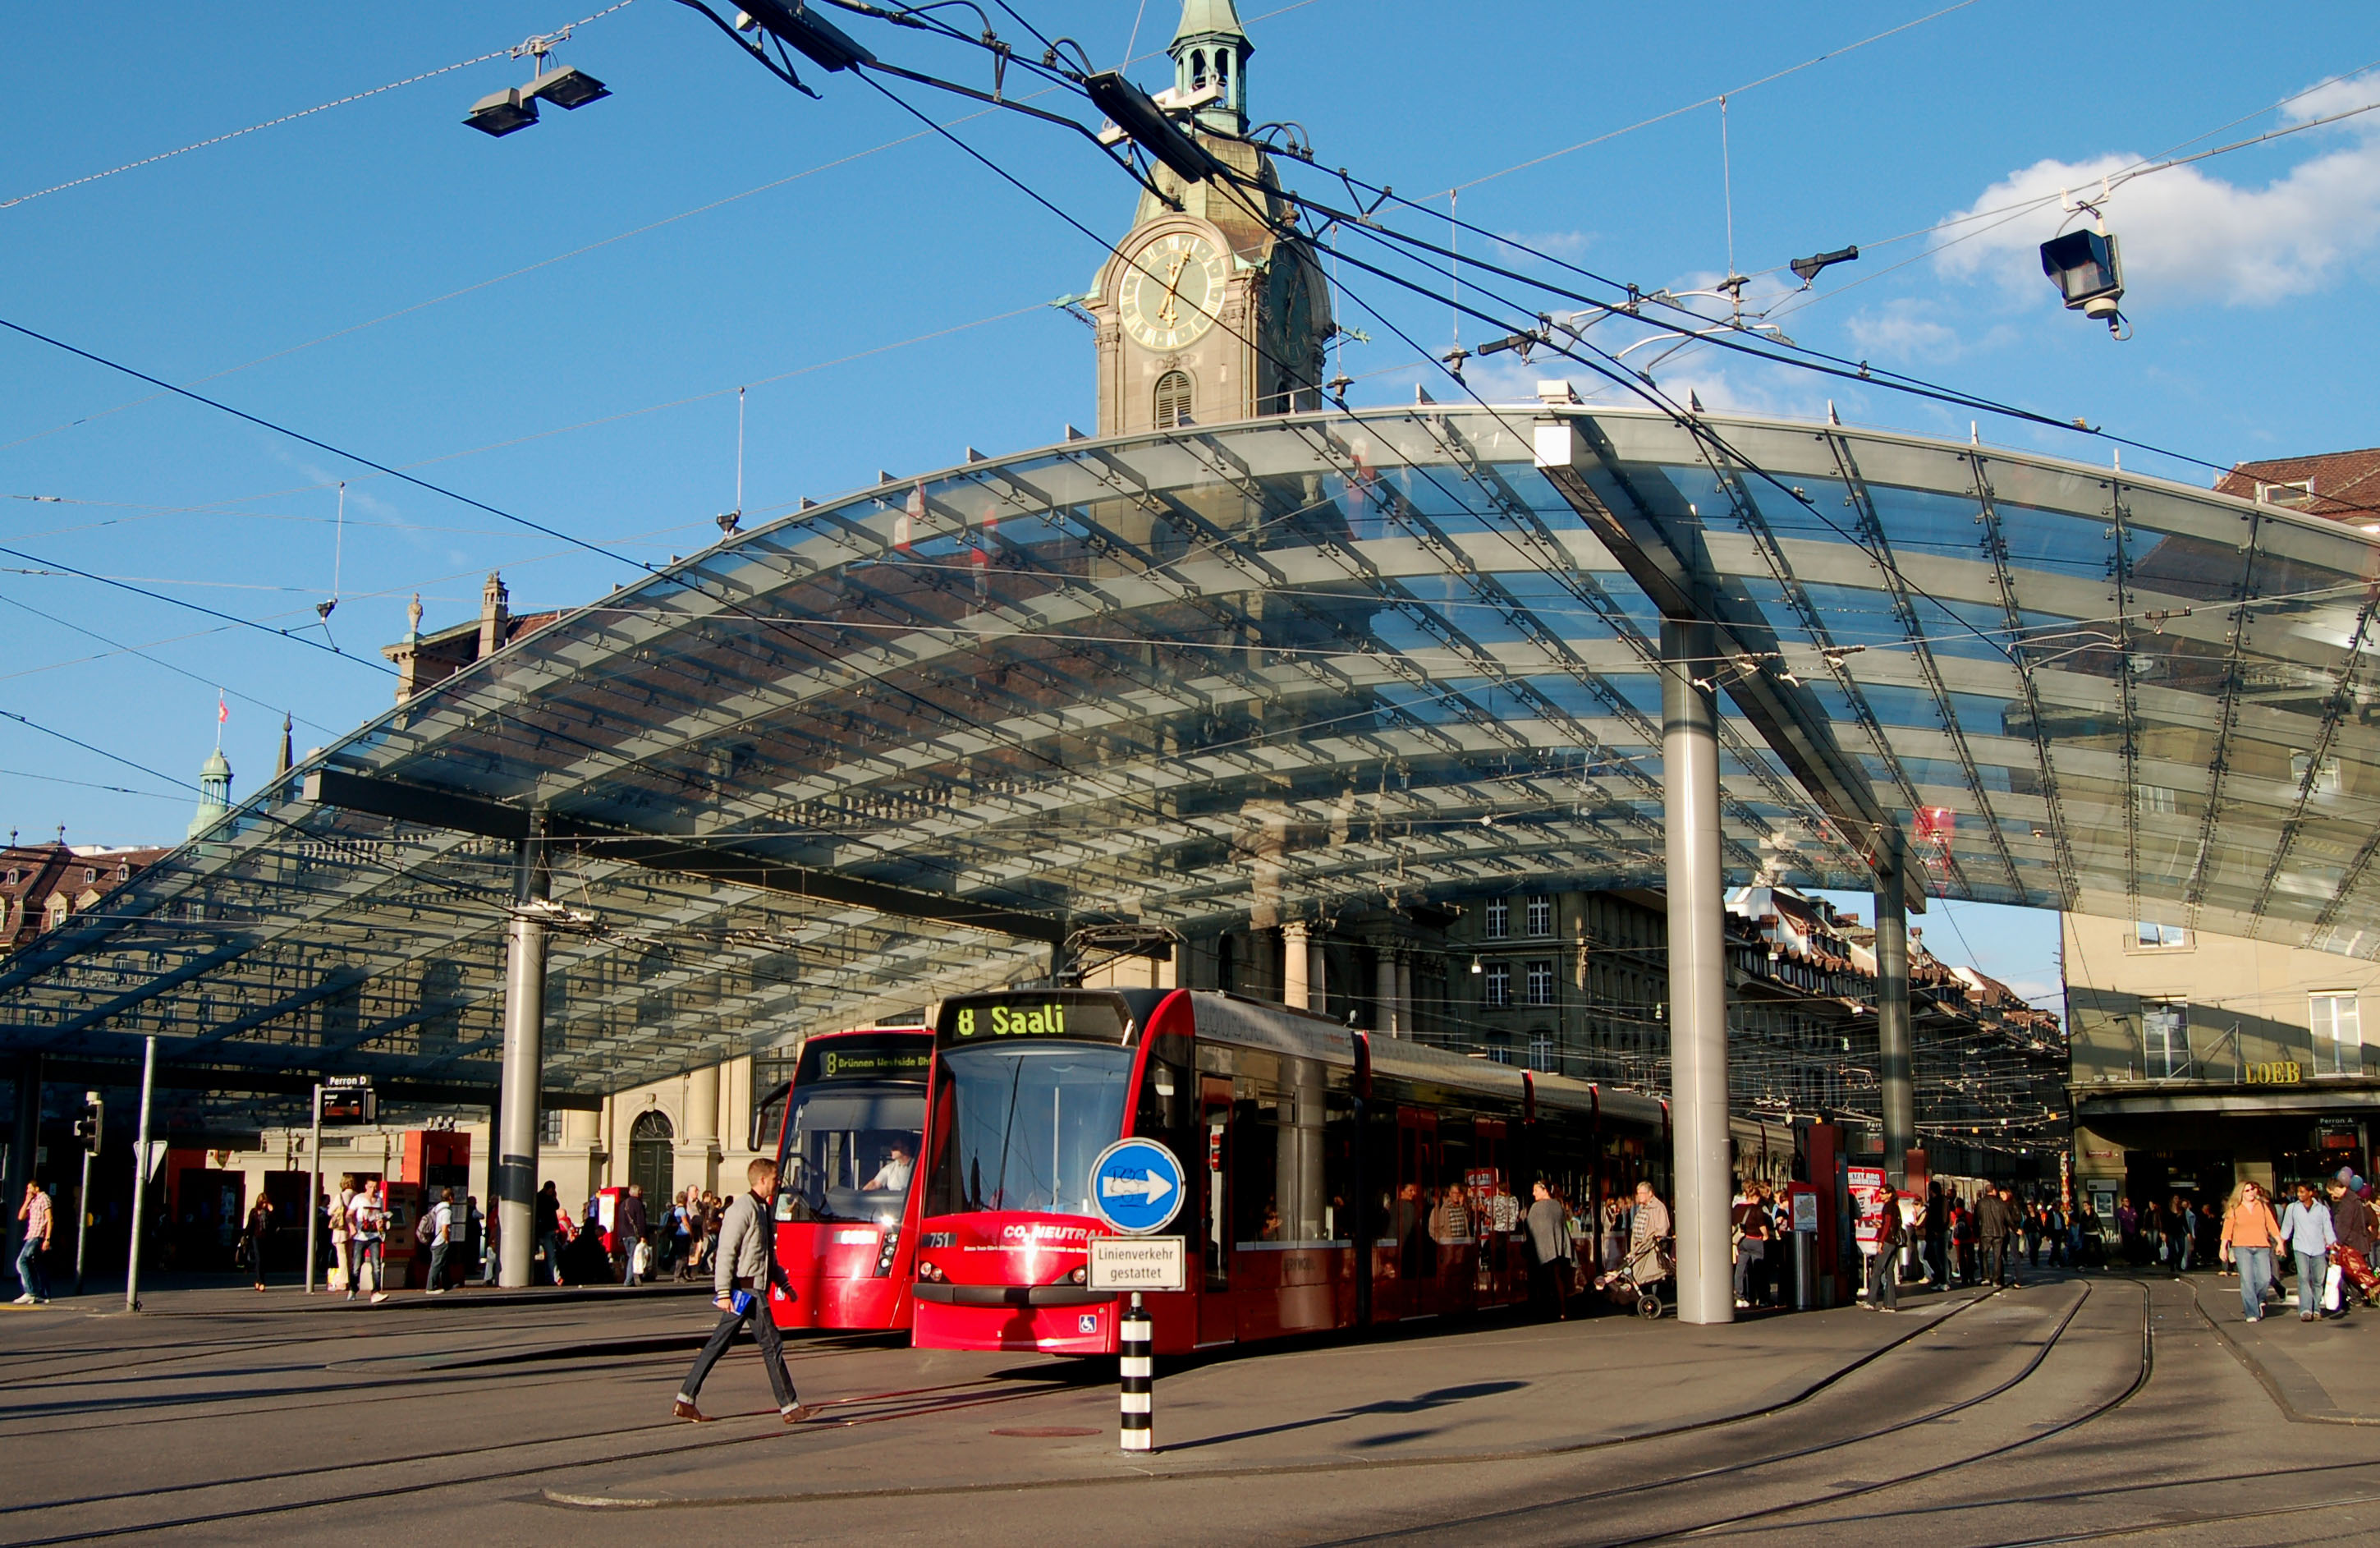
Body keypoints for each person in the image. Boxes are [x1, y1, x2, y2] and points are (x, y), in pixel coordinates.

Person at [673, 1158, 814, 1425]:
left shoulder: (762, 1208)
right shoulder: (743, 1208)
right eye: (774, 1179)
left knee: (719, 1344)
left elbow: (766, 1256)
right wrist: (723, 1292)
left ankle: (685, 1399)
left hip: (750, 1290)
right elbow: (727, 1251)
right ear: (762, 1180)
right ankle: (790, 1407)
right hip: (747, 1291)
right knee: (772, 1345)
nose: (777, 1184)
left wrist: (784, 1285)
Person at [2277, 1182, 2338, 1324]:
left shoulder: (2322, 1209)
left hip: (2319, 1249)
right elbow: (2286, 1228)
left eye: (2303, 1191)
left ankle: (2316, 1308)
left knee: (2318, 1281)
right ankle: (2305, 1310)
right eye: (2298, 1192)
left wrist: (2333, 1248)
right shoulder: (2293, 1208)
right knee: (2303, 1278)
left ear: (2311, 1193)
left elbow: (2328, 1230)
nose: (2299, 1194)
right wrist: (2281, 1243)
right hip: (2301, 1247)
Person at [2221, 1181, 2281, 1322]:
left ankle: (2259, 1299)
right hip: (2242, 1248)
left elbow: (2271, 1224)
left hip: (2262, 1246)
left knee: (2265, 1278)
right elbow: (2227, 1229)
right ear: (2240, 1193)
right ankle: (2252, 1313)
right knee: (2247, 1281)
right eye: (2247, 1190)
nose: (2251, 1193)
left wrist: (2279, 1242)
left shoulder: (2262, 1206)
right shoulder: (2234, 1208)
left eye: (2252, 1189)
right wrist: (2223, 1247)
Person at [1525, 1179, 1571, 1320]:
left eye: (1536, 1190)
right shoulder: (1558, 1205)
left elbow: (1529, 1226)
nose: (1533, 1193)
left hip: (1542, 1250)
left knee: (1541, 1280)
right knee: (1558, 1278)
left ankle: (1543, 1311)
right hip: (1557, 1248)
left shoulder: (1536, 1208)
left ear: (1544, 1190)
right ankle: (1563, 1310)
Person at [13, 1180, 53, 1305]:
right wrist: (27, 1200)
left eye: (29, 1188)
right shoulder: (33, 1201)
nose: (27, 1191)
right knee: (37, 1265)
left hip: (37, 1235)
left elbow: (50, 1219)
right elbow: (21, 1217)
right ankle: (43, 1294)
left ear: (37, 1188)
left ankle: (30, 1292)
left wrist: (47, 1238)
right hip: (30, 1235)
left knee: (22, 1261)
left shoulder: (44, 1198)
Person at [1731, 1181, 1769, 1310]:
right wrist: (1766, 1236)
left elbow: (1732, 1225)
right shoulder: (1757, 1209)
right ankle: (1761, 1298)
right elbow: (1762, 1227)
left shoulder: (1736, 1208)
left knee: (1740, 1270)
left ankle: (1740, 1297)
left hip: (1742, 1241)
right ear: (1755, 1196)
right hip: (1756, 1240)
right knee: (1759, 1269)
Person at [348, 1181, 387, 1303]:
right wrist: (351, 1226)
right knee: (356, 1265)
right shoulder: (358, 1198)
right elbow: (349, 1214)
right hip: (360, 1236)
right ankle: (353, 1289)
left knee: (376, 1265)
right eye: (370, 1187)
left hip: (374, 1235)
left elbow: (381, 1215)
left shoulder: (379, 1200)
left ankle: (376, 1292)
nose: (373, 1190)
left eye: (375, 1187)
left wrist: (382, 1222)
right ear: (366, 1186)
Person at [1869, 1184, 1905, 1311]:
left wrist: (1881, 1241)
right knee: (1890, 1272)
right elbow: (1892, 1224)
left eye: (1883, 1193)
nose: (1881, 1195)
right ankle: (1890, 1304)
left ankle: (1871, 1301)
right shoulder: (1895, 1207)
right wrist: (1881, 1225)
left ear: (1890, 1194)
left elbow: (1888, 1224)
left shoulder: (1888, 1207)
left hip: (1888, 1242)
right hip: (1895, 1242)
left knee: (1877, 1270)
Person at [1627, 1181, 1669, 1287]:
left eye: (1641, 1193)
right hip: (1639, 1247)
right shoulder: (1642, 1208)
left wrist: (1653, 1240)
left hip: (1650, 1248)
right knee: (1635, 1272)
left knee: (1647, 1274)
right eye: (1638, 1193)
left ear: (1650, 1193)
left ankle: (1650, 1299)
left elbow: (1663, 1228)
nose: (1639, 1196)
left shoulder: (1658, 1207)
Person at [1977, 1183, 2017, 1288]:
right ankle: (1996, 1279)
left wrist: (1976, 1233)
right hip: (1999, 1232)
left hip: (1985, 1232)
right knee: (1997, 1256)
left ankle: (1985, 1277)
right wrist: (2016, 1229)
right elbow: (2008, 1219)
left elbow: (1976, 1219)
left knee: (1983, 1255)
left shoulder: (1980, 1203)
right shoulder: (2001, 1203)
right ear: (1994, 1191)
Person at [424, 1188, 456, 1294]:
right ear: (450, 1198)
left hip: (433, 1240)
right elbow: (445, 1228)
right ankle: (431, 1287)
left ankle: (447, 1284)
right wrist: (447, 1240)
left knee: (444, 1263)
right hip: (440, 1241)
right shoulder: (447, 1211)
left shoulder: (436, 1208)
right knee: (437, 1264)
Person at [536, 1181, 568, 1285]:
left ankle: (549, 1276)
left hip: (550, 1229)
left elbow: (556, 1206)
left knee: (549, 1255)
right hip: (545, 1230)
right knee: (551, 1255)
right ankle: (556, 1277)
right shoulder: (541, 1198)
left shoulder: (546, 1197)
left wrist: (554, 1196)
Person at [619, 1183, 650, 1286]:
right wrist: (643, 1235)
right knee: (634, 1256)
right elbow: (641, 1221)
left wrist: (619, 1236)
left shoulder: (624, 1203)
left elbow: (620, 1221)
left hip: (624, 1234)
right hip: (634, 1234)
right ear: (639, 1193)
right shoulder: (638, 1204)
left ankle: (631, 1279)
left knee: (630, 1256)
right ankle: (628, 1280)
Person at [243, 1195, 274, 1293]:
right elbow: (250, 1225)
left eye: (266, 1203)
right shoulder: (254, 1212)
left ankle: (257, 1280)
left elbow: (274, 1223)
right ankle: (261, 1282)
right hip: (256, 1238)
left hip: (265, 1238)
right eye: (263, 1203)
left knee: (263, 1261)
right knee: (259, 1259)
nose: (264, 1205)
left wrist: (271, 1211)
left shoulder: (268, 1213)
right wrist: (245, 1235)